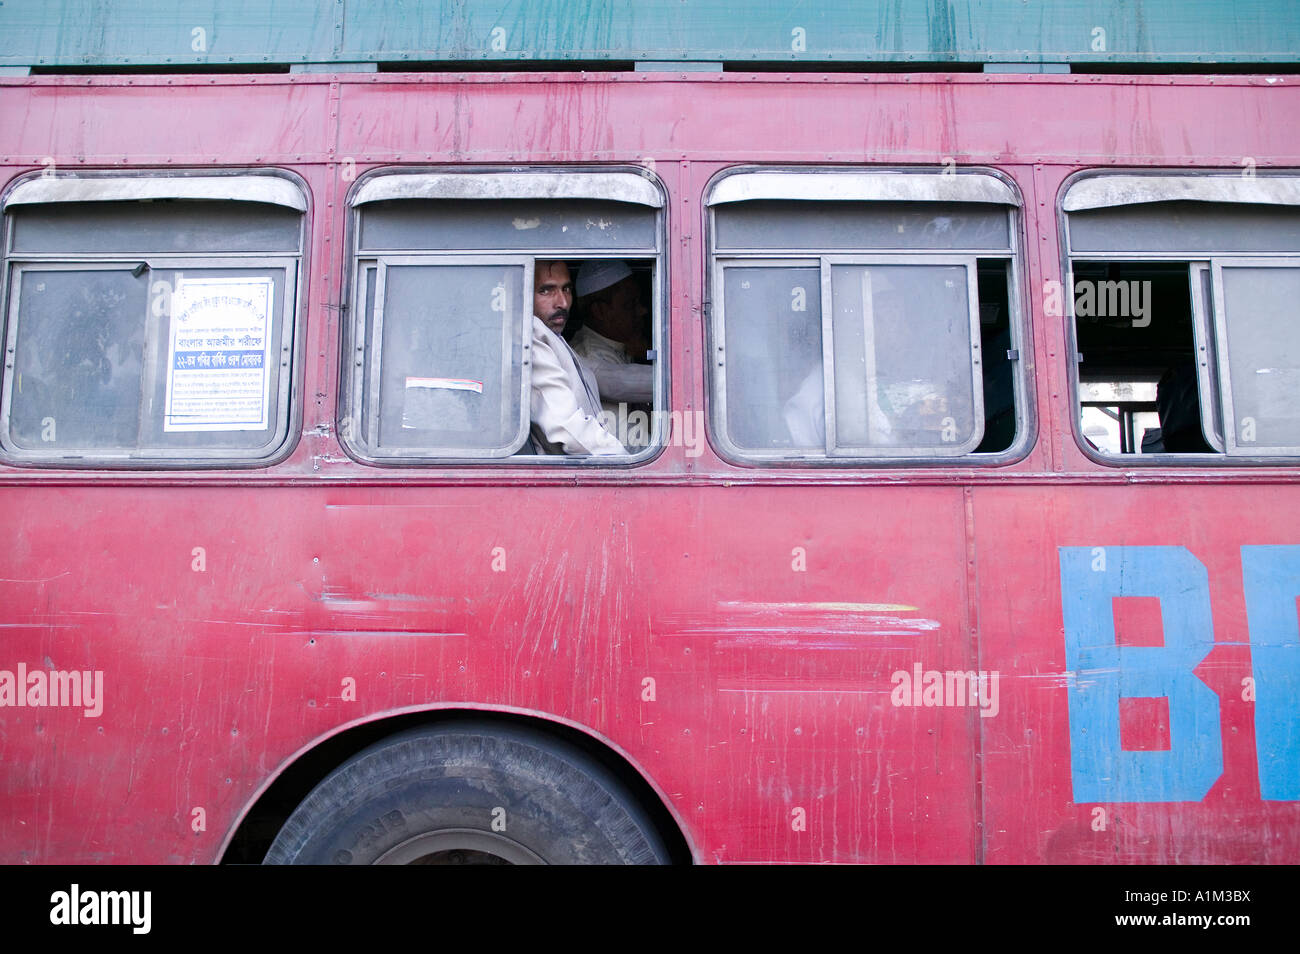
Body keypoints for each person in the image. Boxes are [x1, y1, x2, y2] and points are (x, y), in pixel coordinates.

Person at [528, 260, 625, 456]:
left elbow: (602, 374)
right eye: (546, 291)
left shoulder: (555, 339)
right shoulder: (532, 334)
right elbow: (568, 428)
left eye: (567, 289)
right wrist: (627, 465)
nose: (562, 302)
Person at [571, 260, 653, 418]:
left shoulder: (626, 345)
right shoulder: (589, 356)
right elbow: (627, 439)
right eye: (630, 304)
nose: (643, 310)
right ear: (600, 311)